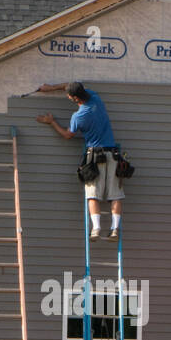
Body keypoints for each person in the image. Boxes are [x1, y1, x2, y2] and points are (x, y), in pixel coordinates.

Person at [34, 81, 124, 240]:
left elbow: (68, 135)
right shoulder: (96, 98)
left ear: (75, 98)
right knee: (115, 195)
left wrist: (52, 122)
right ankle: (115, 229)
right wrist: (52, 88)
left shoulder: (79, 116)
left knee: (92, 195)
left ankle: (96, 229)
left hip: (95, 157)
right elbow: (71, 85)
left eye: (69, 95)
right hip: (113, 154)